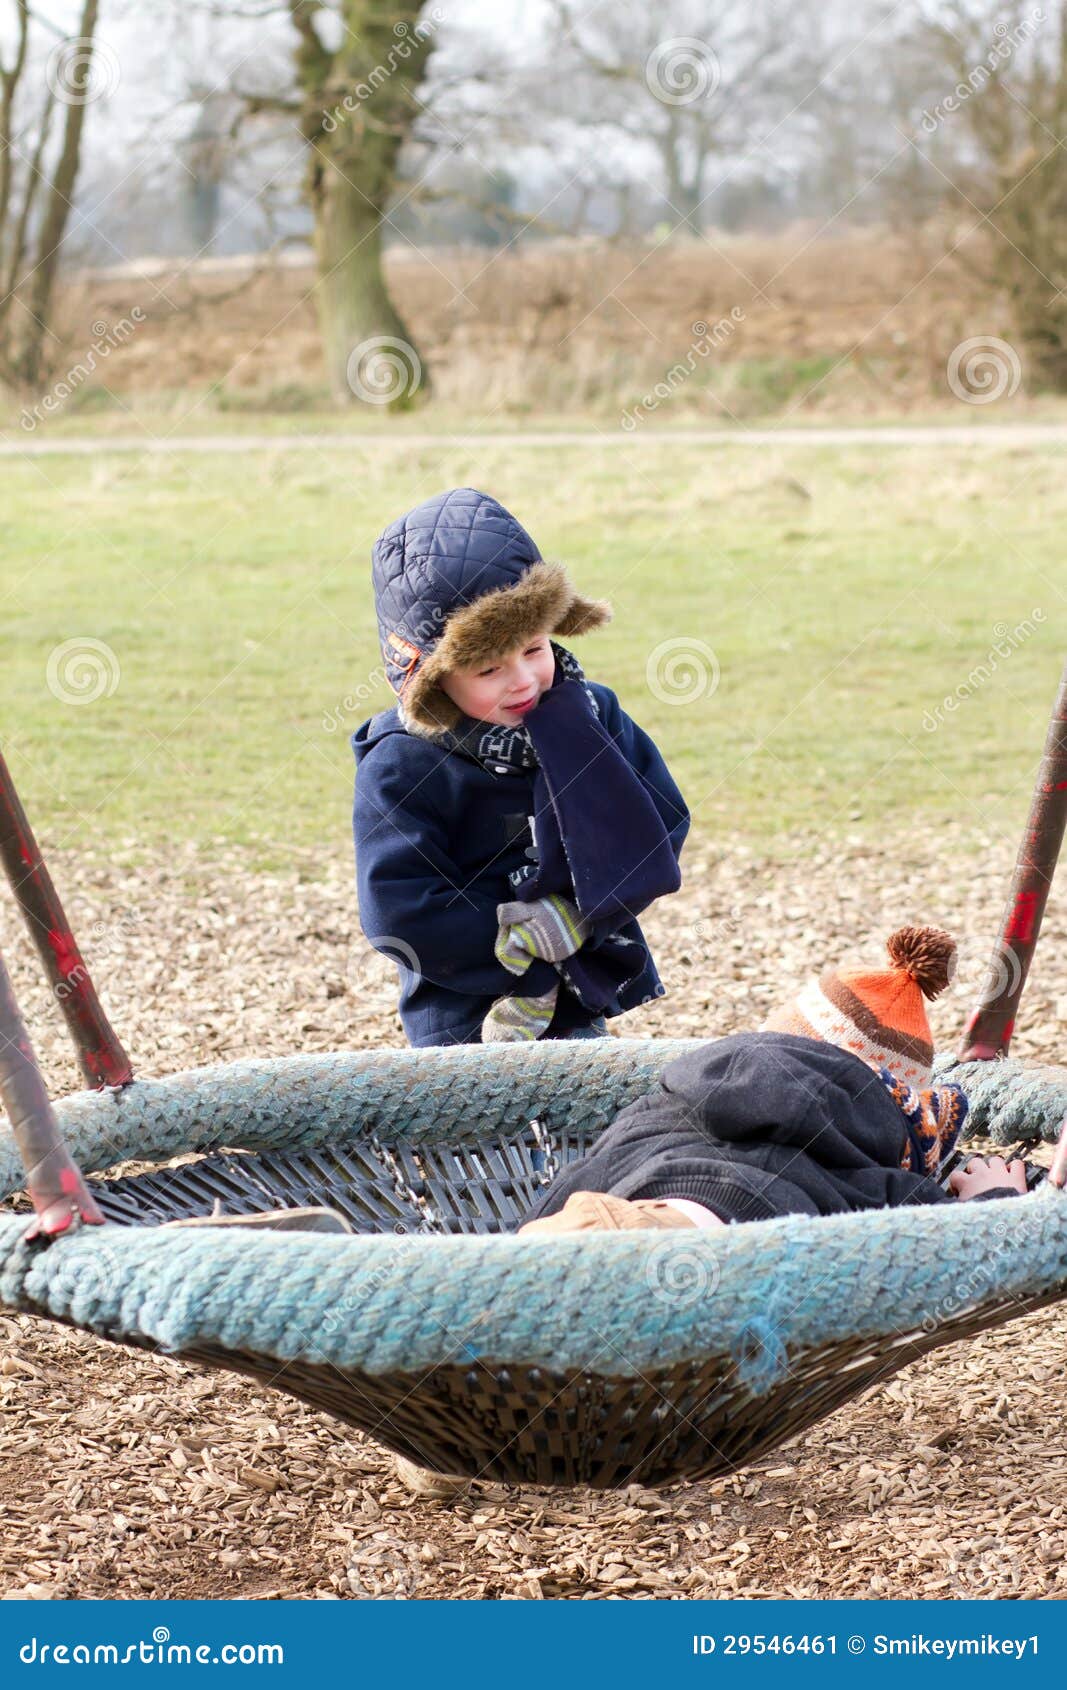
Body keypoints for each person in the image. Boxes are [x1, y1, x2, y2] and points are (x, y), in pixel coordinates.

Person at [351, 486, 690, 1048]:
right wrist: (519, 950)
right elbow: (398, 909)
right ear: (433, 679)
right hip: (460, 1006)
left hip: (579, 979)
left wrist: (581, 917)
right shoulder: (402, 765)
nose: (524, 680)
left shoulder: (590, 713)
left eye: (534, 649)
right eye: (488, 669)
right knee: (472, 1128)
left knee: (585, 1116)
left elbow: (659, 821)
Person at [516, 926, 1031, 1237]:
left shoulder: (674, 1101)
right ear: (892, 1107)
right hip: (725, 1246)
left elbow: (581, 1177)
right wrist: (996, 1197)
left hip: (598, 1217)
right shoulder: (864, 1164)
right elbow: (938, 1247)